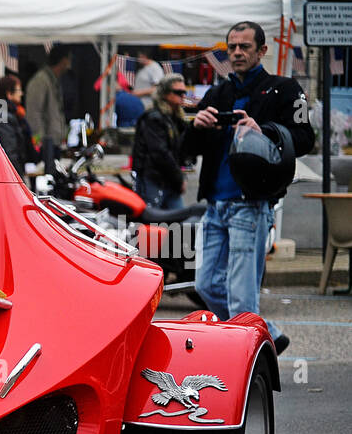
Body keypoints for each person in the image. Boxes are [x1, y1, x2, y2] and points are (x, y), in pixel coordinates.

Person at [181, 21, 314, 355]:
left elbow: (305, 139)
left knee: (242, 298)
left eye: (245, 47)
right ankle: (265, 334)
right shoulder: (217, 93)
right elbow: (184, 151)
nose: (237, 53)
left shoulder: (283, 89)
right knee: (206, 284)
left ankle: (249, 360)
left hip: (251, 204)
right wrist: (196, 126)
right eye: (232, 47)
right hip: (215, 204)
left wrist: (264, 130)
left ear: (262, 51)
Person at [132, 74, 190, 211]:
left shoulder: (175, 118)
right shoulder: (154, 118)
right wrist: (179, 179)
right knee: (152, 228)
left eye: (184, 92)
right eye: (178, 92)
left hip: (168, 181)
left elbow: (182, 147)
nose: (182, 95)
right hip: (153, 181)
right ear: (165, 94)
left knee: (178, 226)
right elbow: (160, 153)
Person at [26, 45, 70, 167]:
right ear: (63, 60)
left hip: (53, 142)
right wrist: (39, 141)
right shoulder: (41, 81)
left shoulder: (52, 80)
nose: (69, 64)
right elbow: (34, 113)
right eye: (68, 59)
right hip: (45, 144)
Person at [0, 74, 36, 178]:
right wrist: (18, 180)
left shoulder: (6, 114)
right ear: (9, 94)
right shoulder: (2, 116)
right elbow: (10, 152)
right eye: (19, 90)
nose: (21, 94)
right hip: (8, 176)